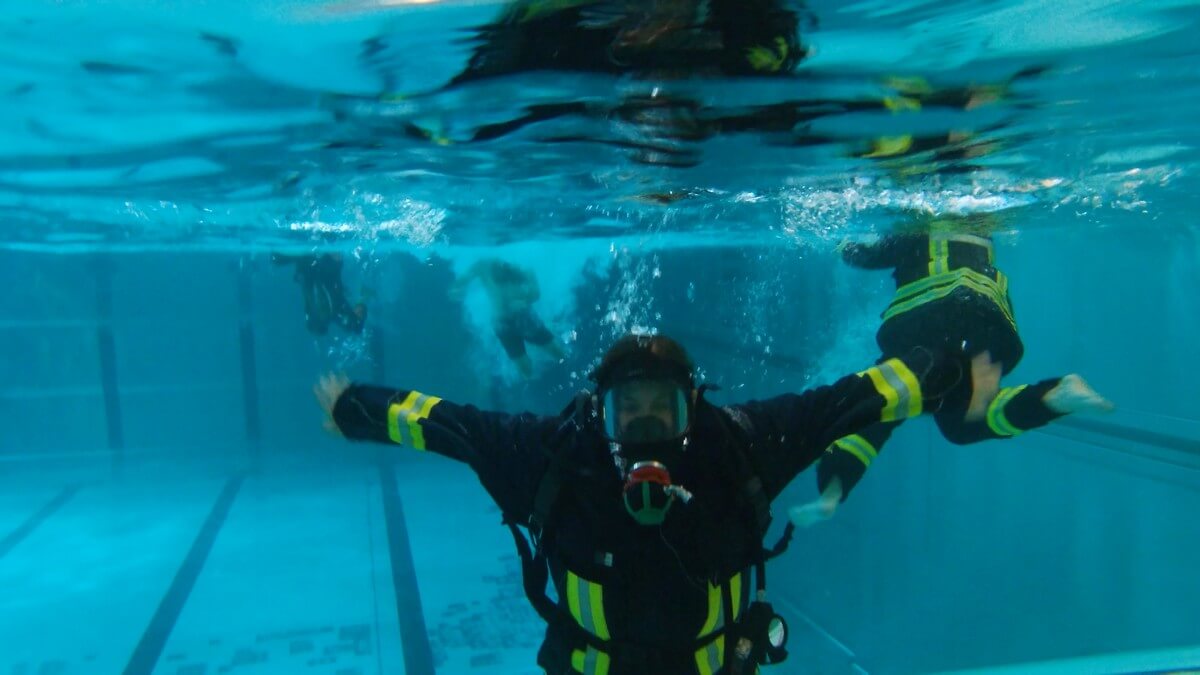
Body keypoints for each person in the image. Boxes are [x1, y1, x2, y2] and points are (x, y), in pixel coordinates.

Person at [314, 332, 979, 674]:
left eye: (664, 410)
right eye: (626, 412)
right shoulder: (557, 455)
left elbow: (844, 402)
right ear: (597, 411)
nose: (646, 429)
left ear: (693, 406)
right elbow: (456, 427)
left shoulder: (737, 447)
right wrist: (360, 409)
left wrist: (941, 372)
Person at [789, 219, 1114, 528]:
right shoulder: (978, 218)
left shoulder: (917, 217)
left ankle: (832, 492)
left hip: (930, 319)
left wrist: (844, 246)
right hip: (989, 319)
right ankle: (1053, 397)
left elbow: (873, 254)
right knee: (965, 423)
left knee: (876, 408)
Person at [449, 258, 565, 377]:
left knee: (555, 351)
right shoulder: (483, 266)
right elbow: (464, 279)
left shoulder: (524, 270)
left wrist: (524, 300)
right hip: (502, 325)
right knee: (523, 366)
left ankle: (564, 364)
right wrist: (456, 288)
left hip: (525, 318)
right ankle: (531, 381)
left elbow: (536, 294)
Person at [272, 253, 367, 336]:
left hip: (316, 272)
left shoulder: (329, 311)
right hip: (317, 272)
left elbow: (320, 286)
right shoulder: (333, 311)